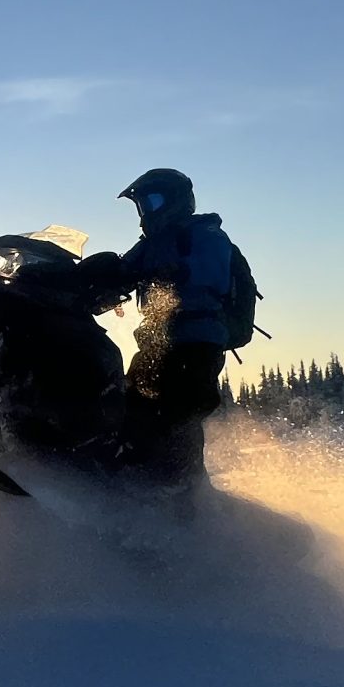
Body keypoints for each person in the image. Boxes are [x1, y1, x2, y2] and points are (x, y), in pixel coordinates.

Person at [77, 168, 256, 477]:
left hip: (197, 342)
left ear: (176, 201)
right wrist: (84, 283)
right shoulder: (151, 244)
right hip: (157, 343)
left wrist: (172, 271)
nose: (147, 212)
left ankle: (181, 497)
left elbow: (206, 271)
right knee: (123, 407)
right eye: (143, 204)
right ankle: (119, 478)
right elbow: (121, 270)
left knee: (174, 416)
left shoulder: (204, 233)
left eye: (154, 201)